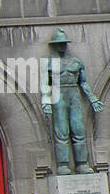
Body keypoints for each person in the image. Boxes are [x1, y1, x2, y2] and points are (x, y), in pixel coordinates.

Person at [40, 28, 103, 175]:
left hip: (74, 93)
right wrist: (46, 101)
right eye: (59, 43)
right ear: (54, 45)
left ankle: (82, 163)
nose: (62, 46)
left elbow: (84, 83)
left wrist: (93, 99)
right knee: (61, 130)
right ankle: (63, 164)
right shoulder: (48, 63)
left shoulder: (76, 62)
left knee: (78, 129)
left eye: (64, 43)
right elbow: (45, 84)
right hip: (58, 94)